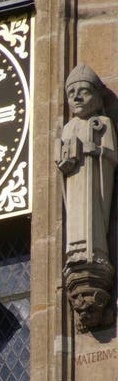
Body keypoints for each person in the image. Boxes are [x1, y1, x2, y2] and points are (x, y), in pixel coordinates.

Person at [56, 65, 117, 268]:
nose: (77, 98)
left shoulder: (104, 122)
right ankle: (75, 254)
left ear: (97, 97)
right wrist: (64, 162)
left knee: (94, 220)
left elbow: (112, 156)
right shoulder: (69, 127)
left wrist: (97, 151)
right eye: (71, 93)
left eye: (84, 92)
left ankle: (97, 252)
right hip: (75, 183)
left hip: (94, 182)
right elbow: (62, 157)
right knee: (75, 221)